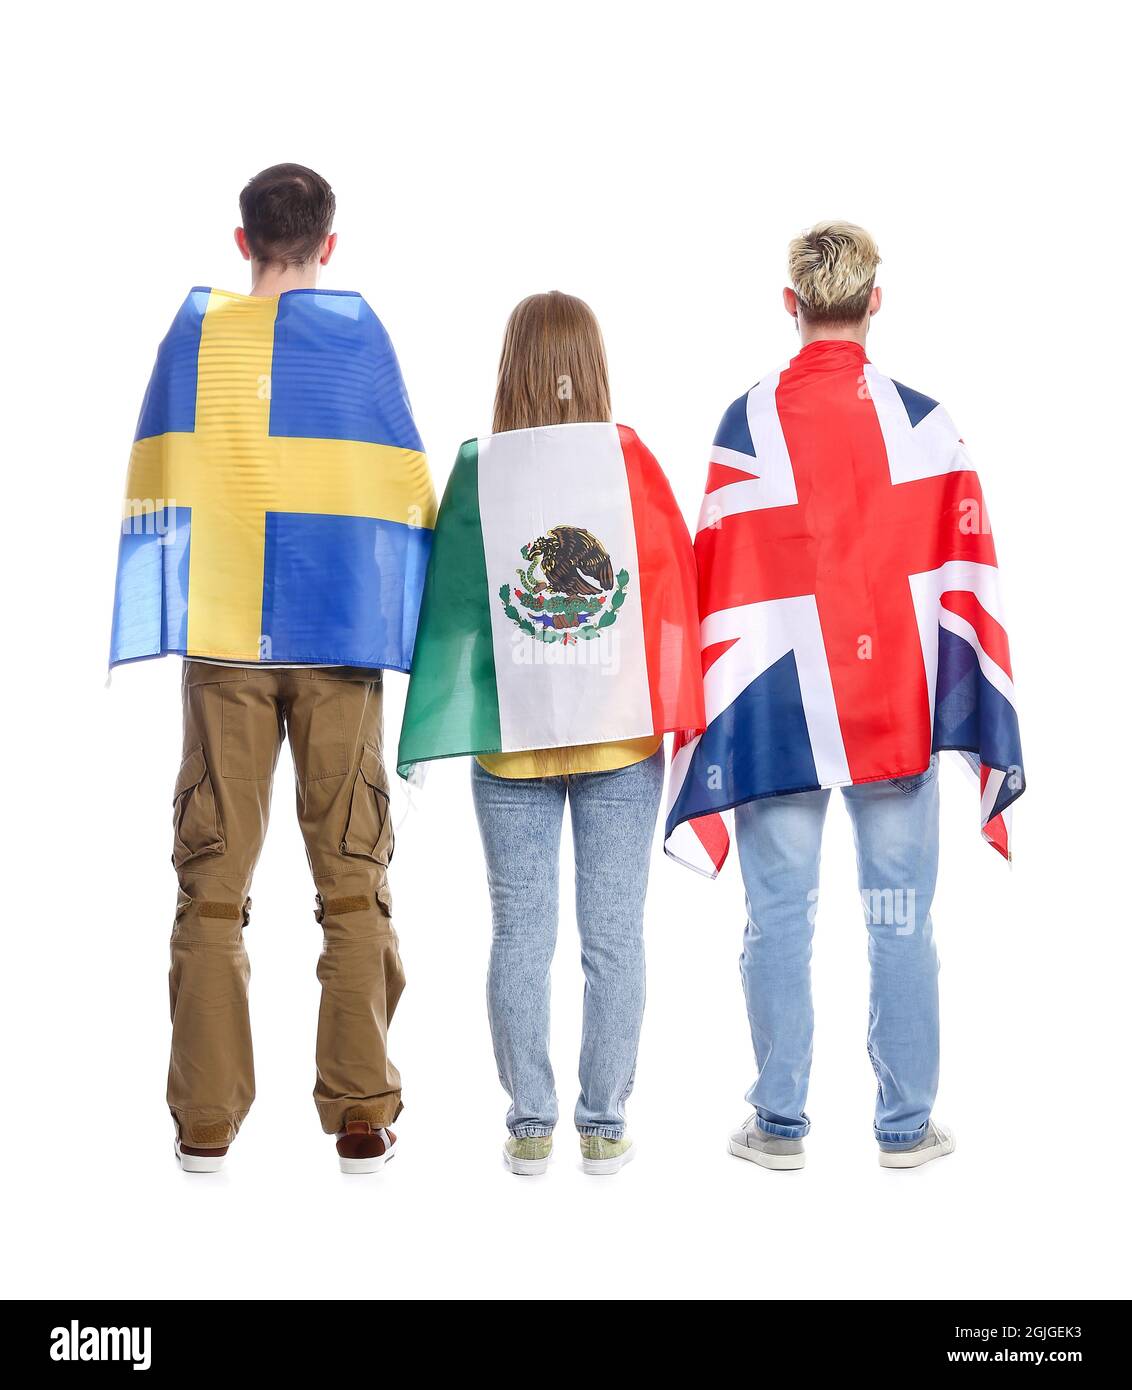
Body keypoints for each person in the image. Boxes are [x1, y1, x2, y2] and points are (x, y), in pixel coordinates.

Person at [664, 222, 1025, 1170]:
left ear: (791, 305)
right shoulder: (928, 422)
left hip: (779, 711)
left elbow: (720, 583)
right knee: (901, 918)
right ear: (875, 303)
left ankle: (778, 1127)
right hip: (894, 713)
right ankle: (905, 1130)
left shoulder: (744, 421)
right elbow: (966, 574)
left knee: (778, 917)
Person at [109, 164, 436, 1173]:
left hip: (224, 636)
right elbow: (403, 488)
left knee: (211, 883)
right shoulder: (359, 336)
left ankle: (203, 1122)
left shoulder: (192, 336)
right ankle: (360, 1116)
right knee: (352, 881)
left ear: (243, 237)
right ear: (328, 245)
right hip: (338, 637)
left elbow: (161, 472)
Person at [398, 292, 704, 1175]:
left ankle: (530, 1123)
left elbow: (451, 614)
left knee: (519, 936)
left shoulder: (480, 468)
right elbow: (670, 585)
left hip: (513, 746)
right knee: (616, 937)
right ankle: (603, 1124)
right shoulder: (631, 459)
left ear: (513, 366)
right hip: (619, 743)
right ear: (592, 363)